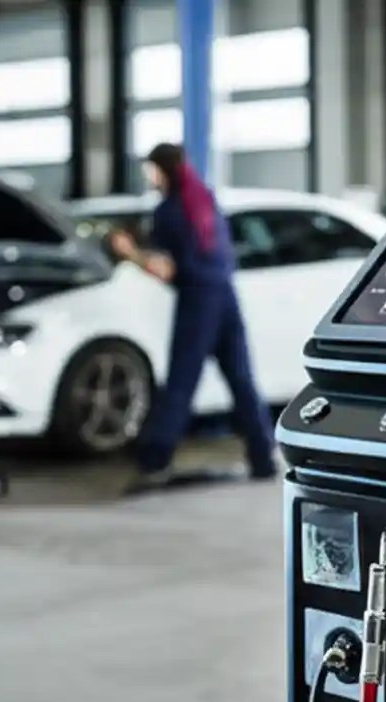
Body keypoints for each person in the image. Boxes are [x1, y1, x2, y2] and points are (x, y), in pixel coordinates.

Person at [106, 143, 277, 483]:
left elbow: (165, 270)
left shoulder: (169, 210)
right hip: (226, 296)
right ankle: (263, 458)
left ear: (162, 170)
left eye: (150, 169)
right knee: (241, 380)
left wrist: (128, 253)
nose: (148, 176)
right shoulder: (204, 200)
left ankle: (155, 460)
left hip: (198, 300)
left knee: (181, 382)